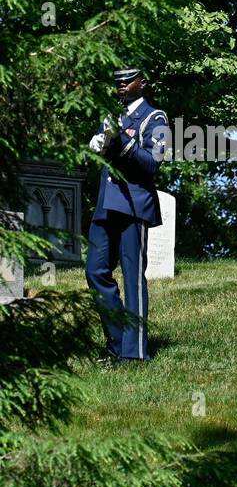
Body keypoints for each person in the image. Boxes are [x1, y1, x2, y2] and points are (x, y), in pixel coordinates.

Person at [85, 66, 169, 361]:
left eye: (127, 80)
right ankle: (118, 343)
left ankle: (135, 353)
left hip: (133, 204)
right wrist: (95, 145)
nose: (121, 85)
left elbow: (151, 164)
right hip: (106, 203)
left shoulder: (154, 118)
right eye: (118, 81)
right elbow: (97, 152)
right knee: (95, 271)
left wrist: (121, 141)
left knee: (133, 278)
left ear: (142, 83)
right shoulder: (111, 116)